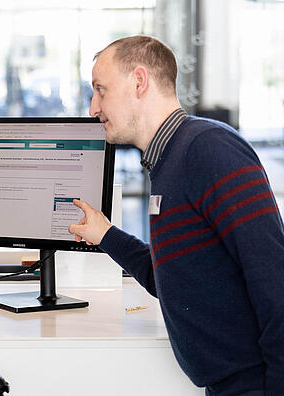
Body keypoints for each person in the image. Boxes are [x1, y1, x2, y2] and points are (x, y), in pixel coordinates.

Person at [68, 35, 284, 395]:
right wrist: (105, 234)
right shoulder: (168, 162)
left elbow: (275, 280)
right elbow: (169, 278)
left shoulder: (208, 150)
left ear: (139, 81)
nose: (93, 108)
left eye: (101, 90)